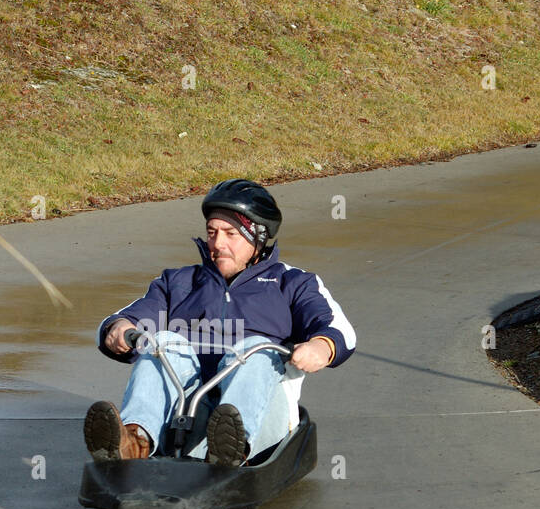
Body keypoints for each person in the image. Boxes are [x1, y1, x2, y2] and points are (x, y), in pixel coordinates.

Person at [84, 179, 356, 467]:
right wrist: (120, 329)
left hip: (263, 414)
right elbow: (129, 317)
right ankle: (135, 441)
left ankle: (231, 449)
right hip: (186, 412)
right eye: (212, 232)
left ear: (258, 237)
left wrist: (322, 346)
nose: (218, 244)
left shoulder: (292, 283)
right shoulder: (179, 282)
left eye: (230, 234)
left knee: (256, 348)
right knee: (162, 342)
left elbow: (340, 331)